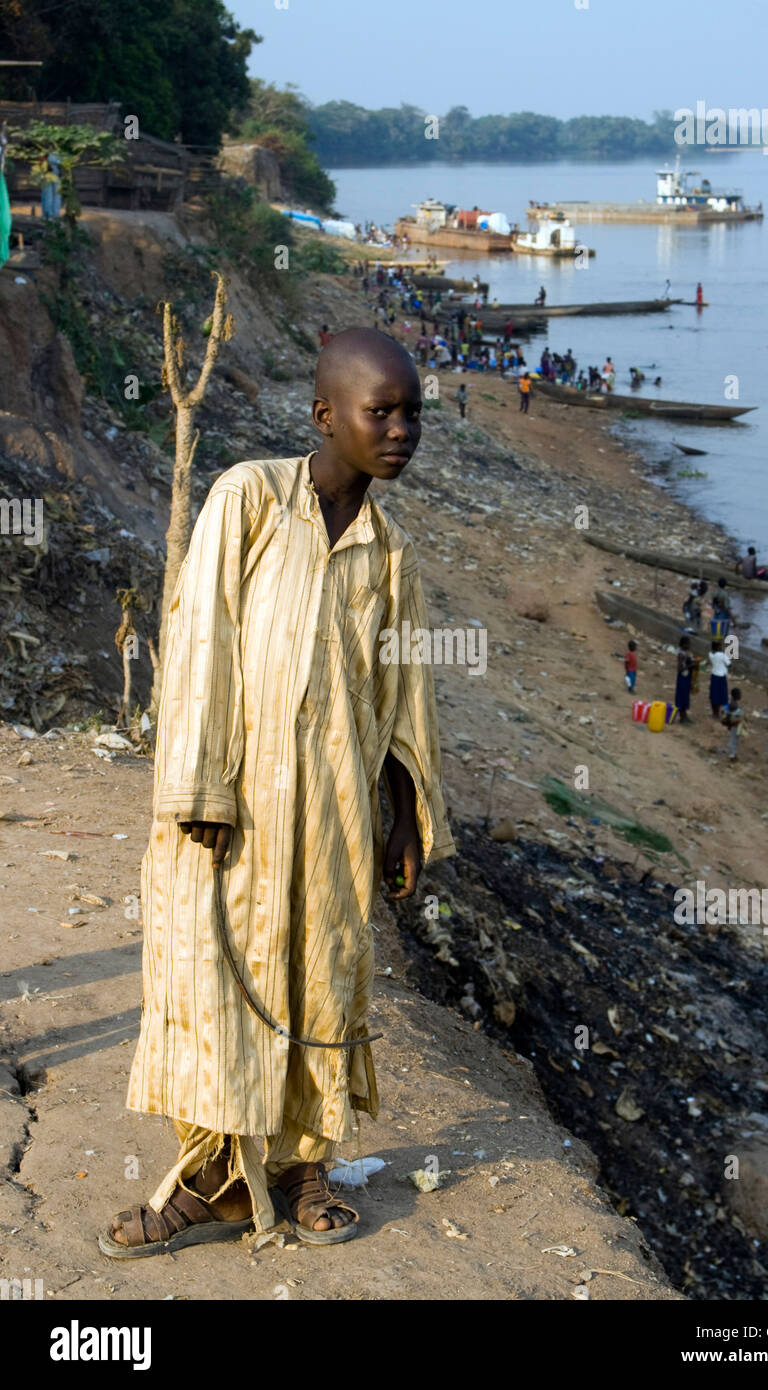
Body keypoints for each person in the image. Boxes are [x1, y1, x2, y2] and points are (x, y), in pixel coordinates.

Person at [101, 329, 454, 1257]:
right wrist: (202, 788)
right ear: (325, 416)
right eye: (382, 412)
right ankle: (209, 1181)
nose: (402, 429)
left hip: (332, 814)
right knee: (214, 975)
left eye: (413, 412)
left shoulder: (391, 554)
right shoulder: (248, 499)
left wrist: (403, 811)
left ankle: (302, 1167)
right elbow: (200, 645)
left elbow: (399, 693)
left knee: (319, 975)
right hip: (229, 804)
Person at [708, 640, 731, 718]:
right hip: (721, 677)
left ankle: (714, 713)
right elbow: (729, 664)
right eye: (720, 646)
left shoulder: (711, 654)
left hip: (714, 675)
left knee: (714, 695)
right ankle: (717, 714)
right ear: (718, 647)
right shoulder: (722, 655)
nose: (722, 647)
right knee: (721, 695)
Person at [674, 636, 694, 723]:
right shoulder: (681, 654)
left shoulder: (685, 653)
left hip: (686, 677)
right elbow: (680, 668)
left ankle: (685, 715)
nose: (689, 645)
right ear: (684, 644)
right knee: (682, 697)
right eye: (688, 644)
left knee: (685, 697)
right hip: (682, 677)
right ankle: (682, 718)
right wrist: (691, 666)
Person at [723, 688, 744, 763]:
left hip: (734, 724)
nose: (740, 696)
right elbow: (728, 714)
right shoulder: (733, 704)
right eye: (739, 694)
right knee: (734, 739)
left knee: (734, 739)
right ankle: (732, 755)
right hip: (735, 724)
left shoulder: (730, 703)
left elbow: (725, 710)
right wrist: (729, 723)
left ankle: (733, 754)